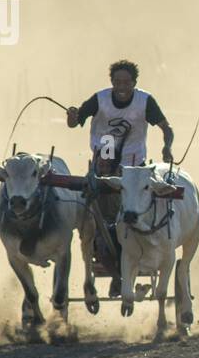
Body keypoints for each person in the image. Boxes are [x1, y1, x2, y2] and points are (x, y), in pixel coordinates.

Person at [66, 60, 176, 295]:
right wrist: (73, 115)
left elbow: (167, 128)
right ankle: (111, 264)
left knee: (131, 218)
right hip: (103, 170)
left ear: (134, 83)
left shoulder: (145, 101)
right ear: (112, 83)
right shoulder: (100, 99)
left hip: (134, 173)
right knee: (96, 221)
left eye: (127, 82)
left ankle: (132, 266)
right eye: (117, 82)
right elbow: (74, 122)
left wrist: (167, 147)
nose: (122, 86)